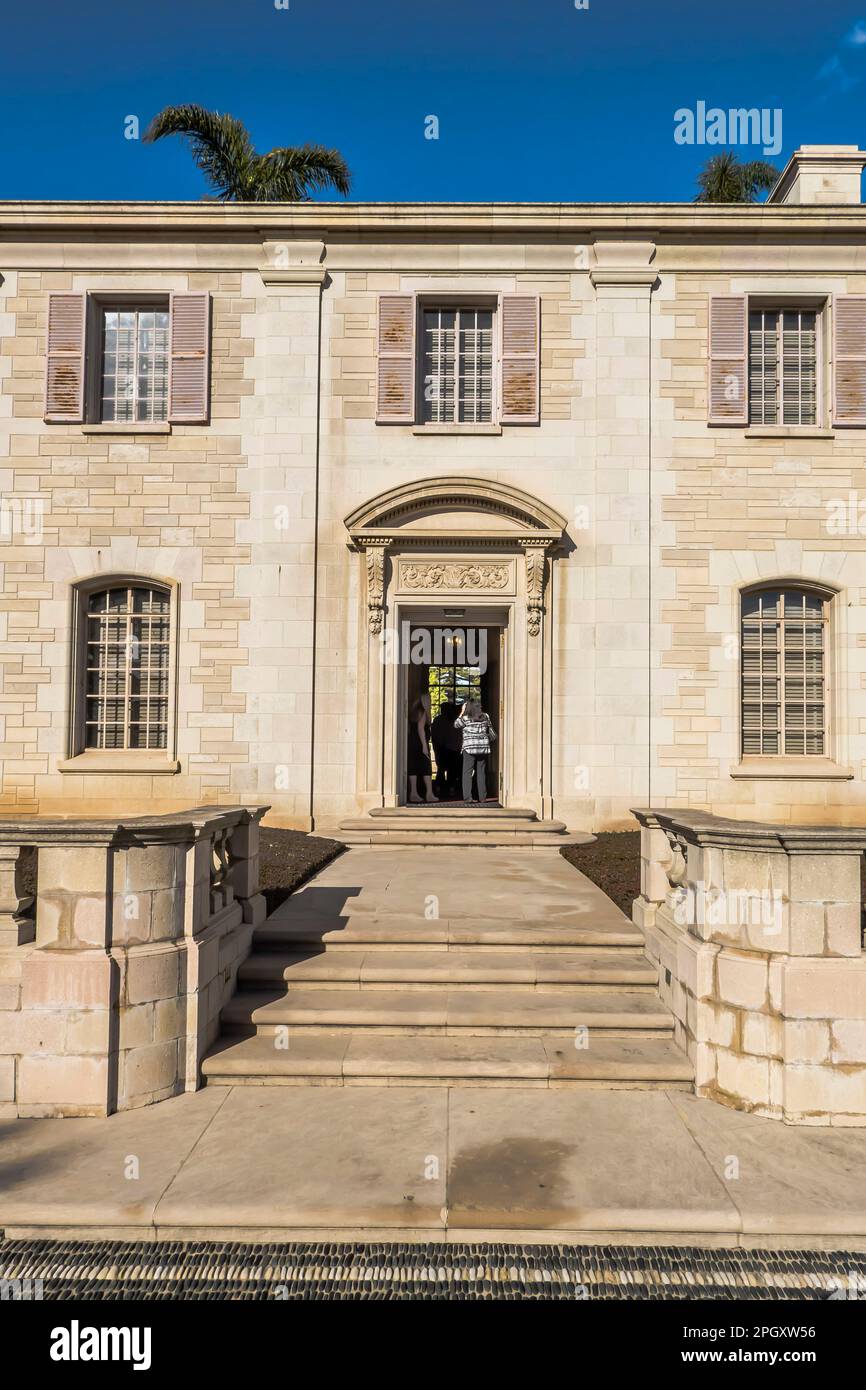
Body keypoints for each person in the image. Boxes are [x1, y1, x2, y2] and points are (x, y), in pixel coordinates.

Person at [455, 699, 497, 805]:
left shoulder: (465, 718)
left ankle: (468, 798)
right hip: (482, 747)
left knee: (467, 773)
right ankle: (482, 797)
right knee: (481, 772)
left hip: (469, 748)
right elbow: (490, 729)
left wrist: (462, 711)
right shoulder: (485, 716)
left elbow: (456, 724)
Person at [407, 692, 438, 803]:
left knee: (413, 768)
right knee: (426, 768)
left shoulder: (413, 712)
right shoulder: (424, 712)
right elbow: (421, 729)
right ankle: (429, 794)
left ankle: (413, 793)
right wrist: (425, 745)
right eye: (429, 700)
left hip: (411, 743)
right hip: (420, 744)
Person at [431, 700, 462, 800]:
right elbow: (458, 735)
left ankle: (438, 788)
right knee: (451, 770)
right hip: (451, 749)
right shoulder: (454, 720)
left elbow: (434, 735)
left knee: (441, 769)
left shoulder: (438, 720)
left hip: (442, 748)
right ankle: (450, 789)